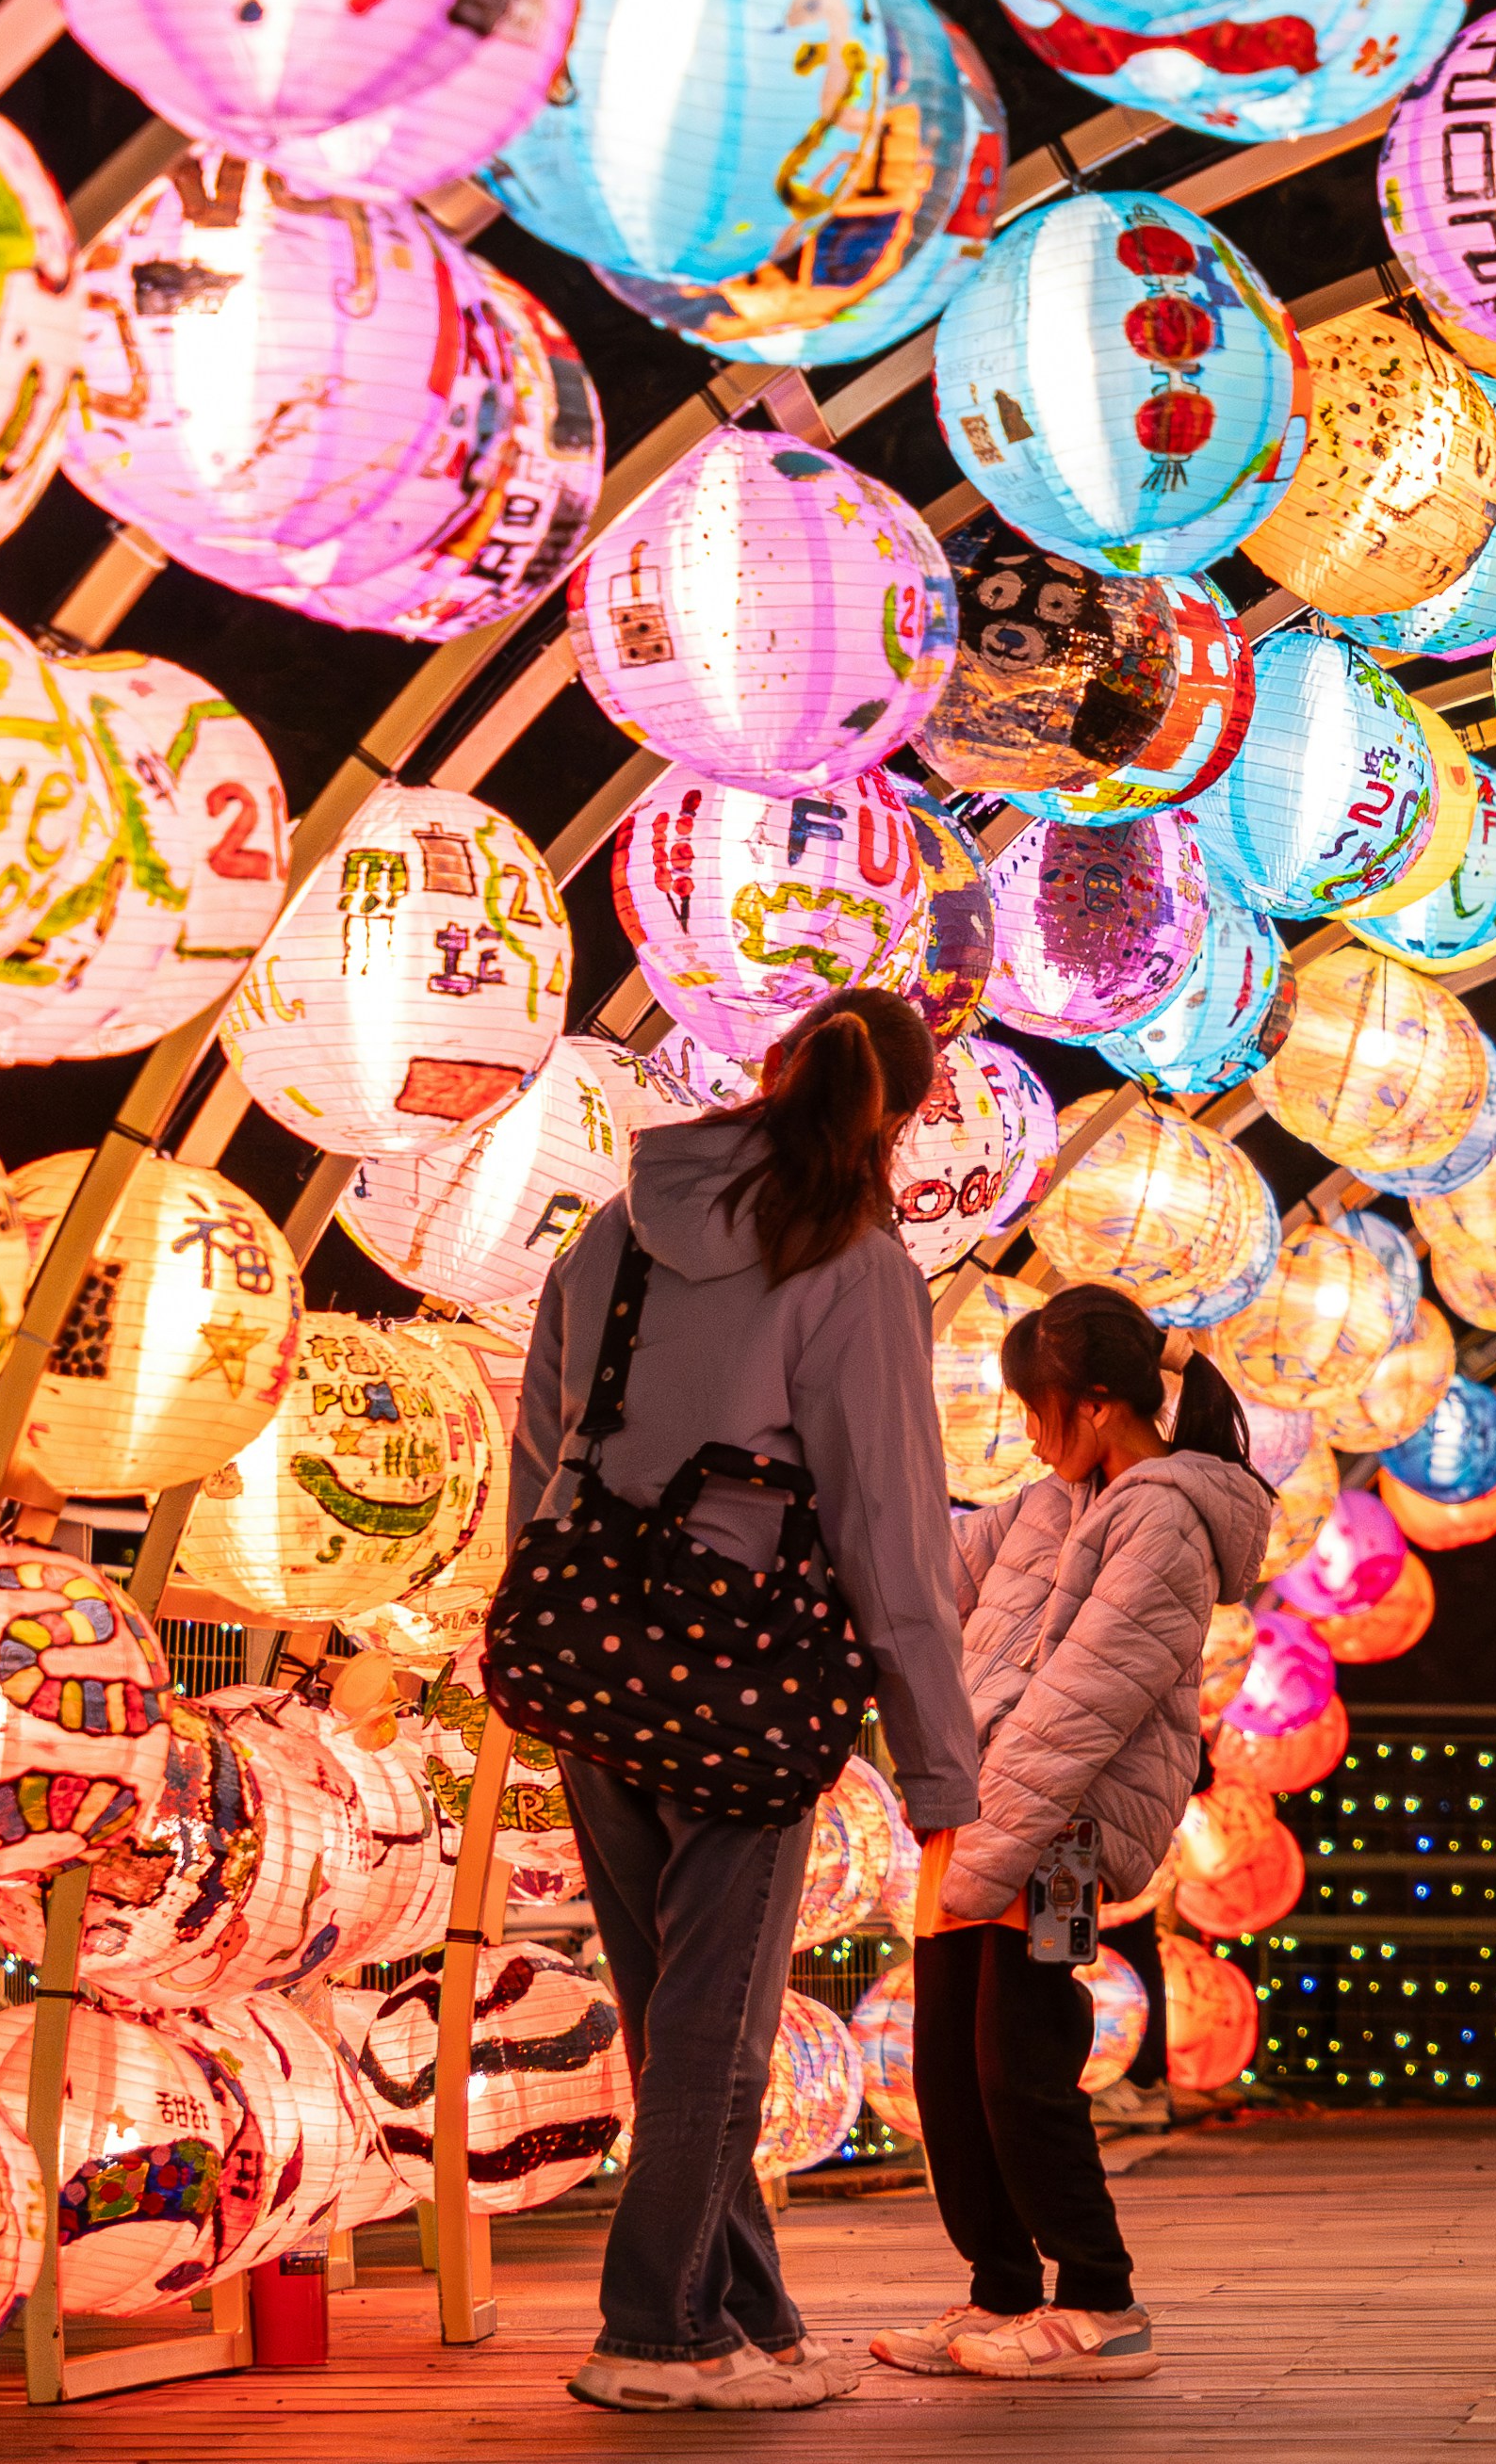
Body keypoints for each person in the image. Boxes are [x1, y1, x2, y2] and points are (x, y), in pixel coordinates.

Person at [510, 986, 979, 2416]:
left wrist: (547, 1613)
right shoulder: (852, 1258)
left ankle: (749, 2317)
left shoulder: (613, 1228)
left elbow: (542, 1445)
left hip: (595, 1650)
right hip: (748, 1673)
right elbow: (891, 1524)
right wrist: (940, 1770)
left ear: (763, 1071)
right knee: (719, 2025)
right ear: (896, 1116)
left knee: (680, 2015)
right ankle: (651, 2334)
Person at [872, 1289, 1270, 2382]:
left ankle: (1102, 2298)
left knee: (1021, 2062)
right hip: (982, 1823)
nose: (1030, 1432)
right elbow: (921, 1594)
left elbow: (1086, 1697)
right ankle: (1000, 2293)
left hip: (1061, 1845)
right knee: (948, 2067)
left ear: (1096, 1407)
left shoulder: (1166, 1517)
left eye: (1038, 1408)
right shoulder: (1046, 1506)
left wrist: (990, 1835)